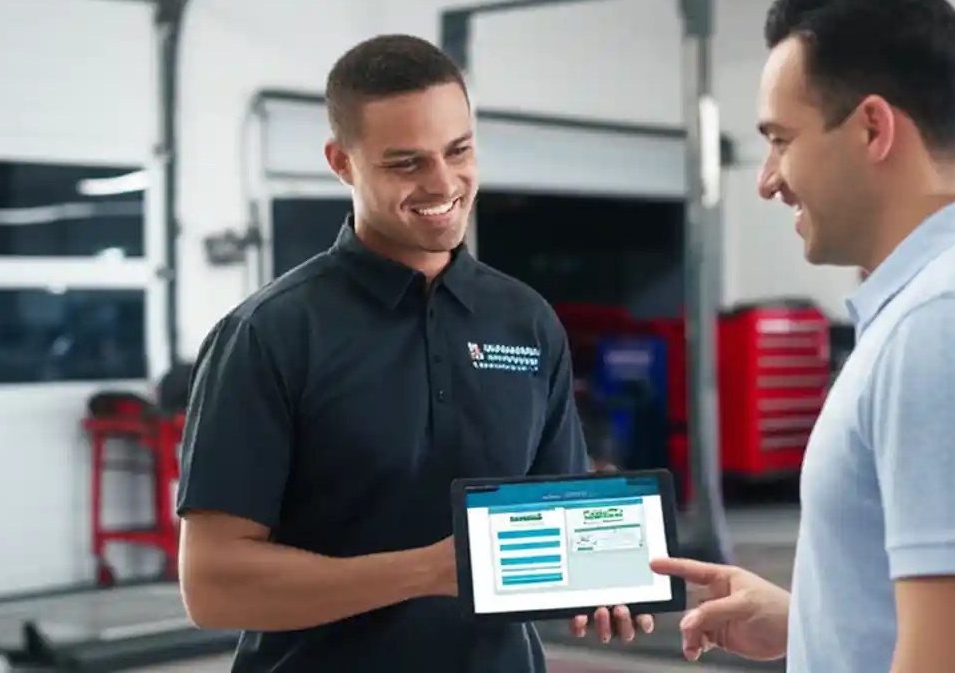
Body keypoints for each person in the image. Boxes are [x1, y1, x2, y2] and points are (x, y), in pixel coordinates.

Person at [652, 0, 955, 673]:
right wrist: (813, 617)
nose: (768, 178)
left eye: (781, 139)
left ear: (873, 128)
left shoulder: (950, 330)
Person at [175, 34, 652, 672]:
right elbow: (212, 583)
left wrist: (596, 583)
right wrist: (425, 571)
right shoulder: (270, 334)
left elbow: (552, 519)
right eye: (407, 163)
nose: (443, 182)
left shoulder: (526, 321)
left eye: (459, 151)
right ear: (342, 162)